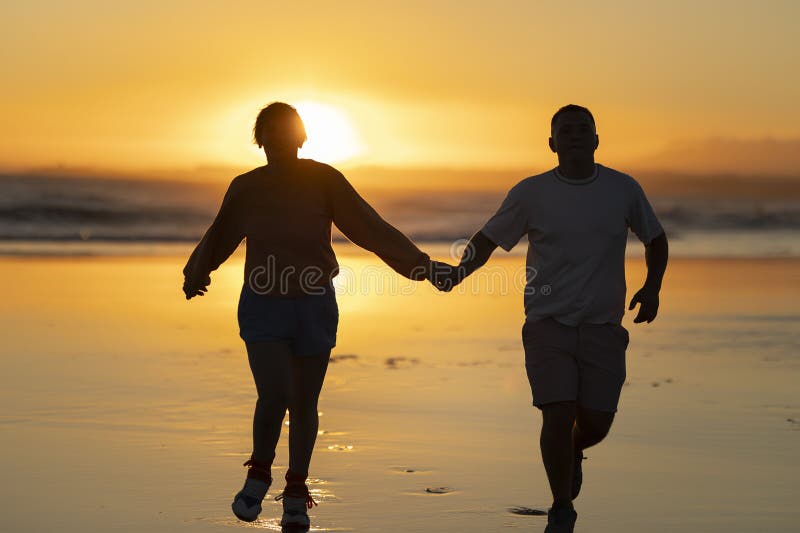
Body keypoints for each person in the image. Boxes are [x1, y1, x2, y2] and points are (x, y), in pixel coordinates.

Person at [182, 102, 442, 529]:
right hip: (263, 303)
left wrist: (422, 267)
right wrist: (196, 272)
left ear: (301, 136)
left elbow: (369, 227)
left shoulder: (325, 180)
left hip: (314, 304)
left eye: (288, 130)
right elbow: (220, 233)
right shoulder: (246, 187)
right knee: (274, 394)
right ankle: (259, 472)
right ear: (259, 138)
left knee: (304, 402)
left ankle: (296, 491)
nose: (279, 137)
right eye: (270, 130)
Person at [434, 104, 668, 533]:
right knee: (556, 413)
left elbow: (655, 238)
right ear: (552, 143)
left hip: (602, 325)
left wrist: (652, 288)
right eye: (566, 131)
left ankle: (574, 449)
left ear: (596, 140)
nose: (575, 136)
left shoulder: (622, 188)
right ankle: (562, 507)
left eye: (583, 130)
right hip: (547, 323)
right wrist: (458, 273)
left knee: (595, 423)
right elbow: (488, 238)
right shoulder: (531, 193)